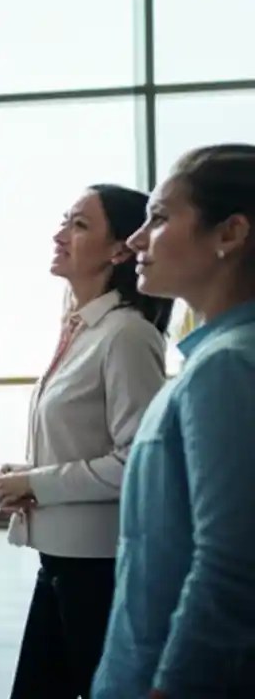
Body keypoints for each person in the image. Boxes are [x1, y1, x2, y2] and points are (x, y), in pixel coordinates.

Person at [0, 185, 172, 698]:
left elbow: (138, 461)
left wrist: (39, 484)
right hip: (63, 563)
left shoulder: (126, 335)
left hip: (98, 570)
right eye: (65, 221)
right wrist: (29, 475)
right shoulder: (83, 328)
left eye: (79, 224)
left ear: (120, 250)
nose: (59, 235)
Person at [93, 144, 255, 698]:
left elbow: (232, 562)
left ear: (230, 232)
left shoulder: (228, 365)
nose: (136, 240)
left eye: (158, 219)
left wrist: (171, 686)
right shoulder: (216, 357)